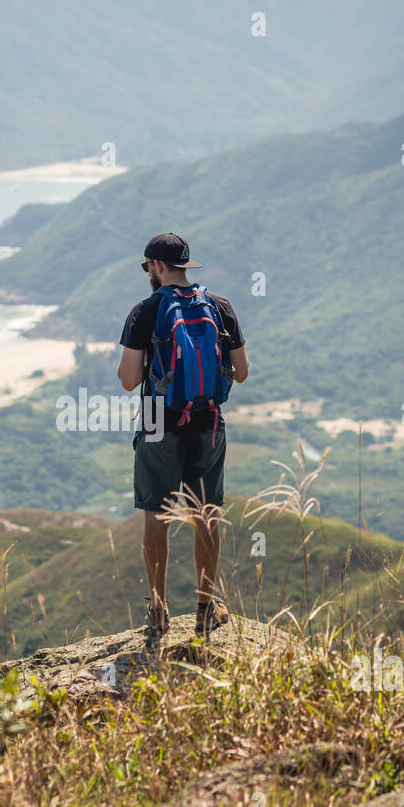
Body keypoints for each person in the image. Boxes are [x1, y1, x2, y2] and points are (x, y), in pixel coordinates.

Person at [117, 233, 248, 637]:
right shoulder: (219, 306)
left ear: (156, 266)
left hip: (159, 420)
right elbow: (242, 372)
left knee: (157, 516)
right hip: (207, 421)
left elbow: (128, 379)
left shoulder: (145, 311)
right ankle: (206, 607)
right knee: (205, 513)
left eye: (147, 266)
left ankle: (158, 609)